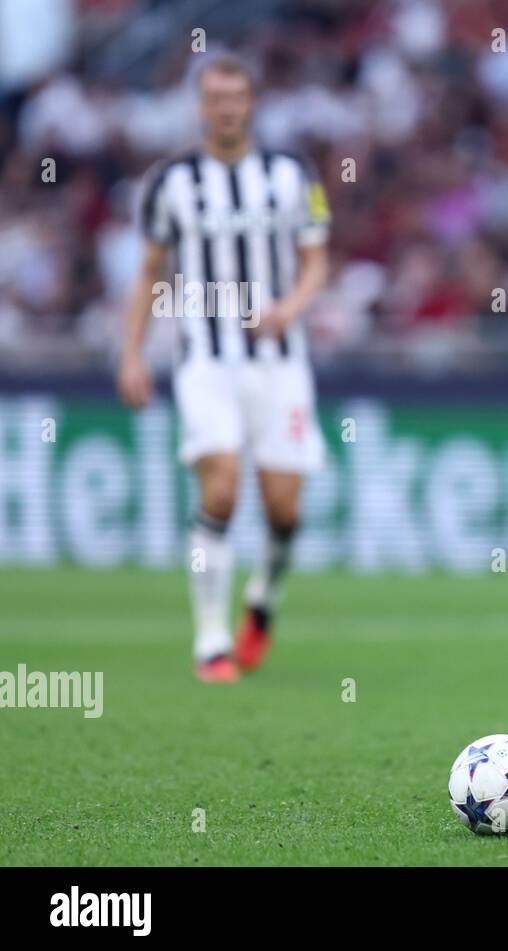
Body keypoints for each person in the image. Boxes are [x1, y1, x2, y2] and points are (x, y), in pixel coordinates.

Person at [116, 53, 330, 682]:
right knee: (219, 488)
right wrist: (130, 353)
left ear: (252, 102)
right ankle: (210, 642)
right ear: (200, 105)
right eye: (215, 97)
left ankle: (262, 597)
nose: (227, 107)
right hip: (205, 361)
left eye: (237, 96)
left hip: (281, 364)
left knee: (285, 509)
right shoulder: (169, 181)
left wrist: (290, 307)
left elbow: (316, 258)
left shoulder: (293, 174)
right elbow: (148, 271)